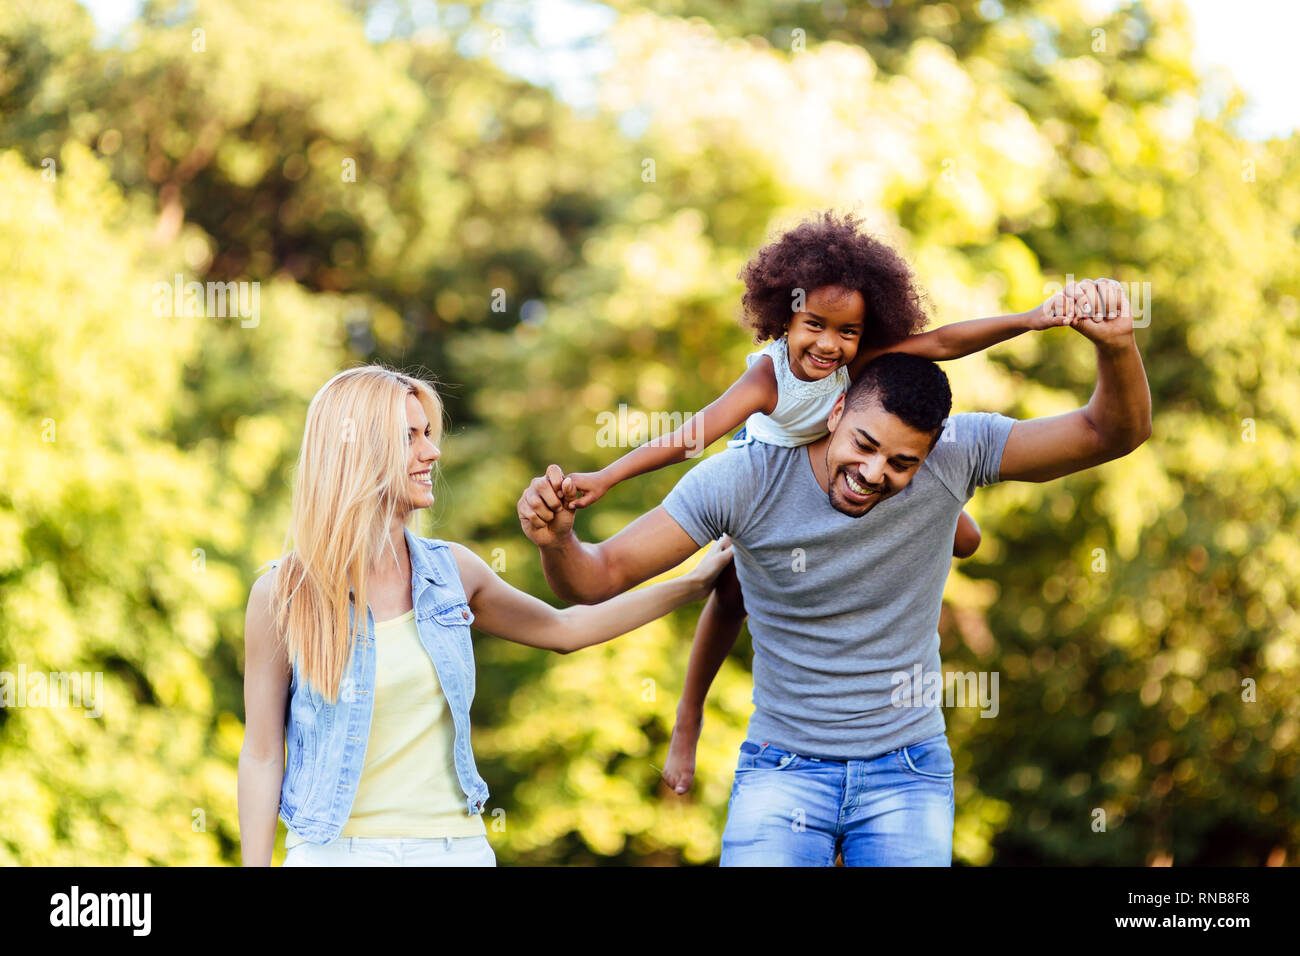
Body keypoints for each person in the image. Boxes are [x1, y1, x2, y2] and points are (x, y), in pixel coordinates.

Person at [518, 278, 1150, 866]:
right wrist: (558, 540)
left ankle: (958, 529)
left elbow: (1108, 433)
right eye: (865, 445)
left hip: (909, 771)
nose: (874, 472)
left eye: (902, 462)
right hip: (781, 771)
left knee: (955, 531)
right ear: (836, 407)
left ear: (931, 452)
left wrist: (1117, 347)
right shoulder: (744, 476)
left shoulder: (956, 453)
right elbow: (596, 580)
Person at [564, 210, 1077, 793]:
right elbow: (691, 437)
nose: (830, 344)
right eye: (815, 324)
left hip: (852, 457)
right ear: (785, 315)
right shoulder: (767, 379)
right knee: (732, 592)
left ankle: (933, 510)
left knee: (967, 539)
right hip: (778, 464)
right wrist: (607, 476)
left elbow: (943, 341)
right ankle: (688, 720)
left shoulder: (859, 361)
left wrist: (1030, 321)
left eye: (848, 332)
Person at [238, 365, 732, 867]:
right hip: (333, 853)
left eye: (428, 434)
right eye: (408, 438)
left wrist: (692, 584)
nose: (431, 451)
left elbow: (566, 629)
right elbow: (261, 754)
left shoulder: (452, 572)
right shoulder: (283, 594)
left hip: (454, 851)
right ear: (354, 450)